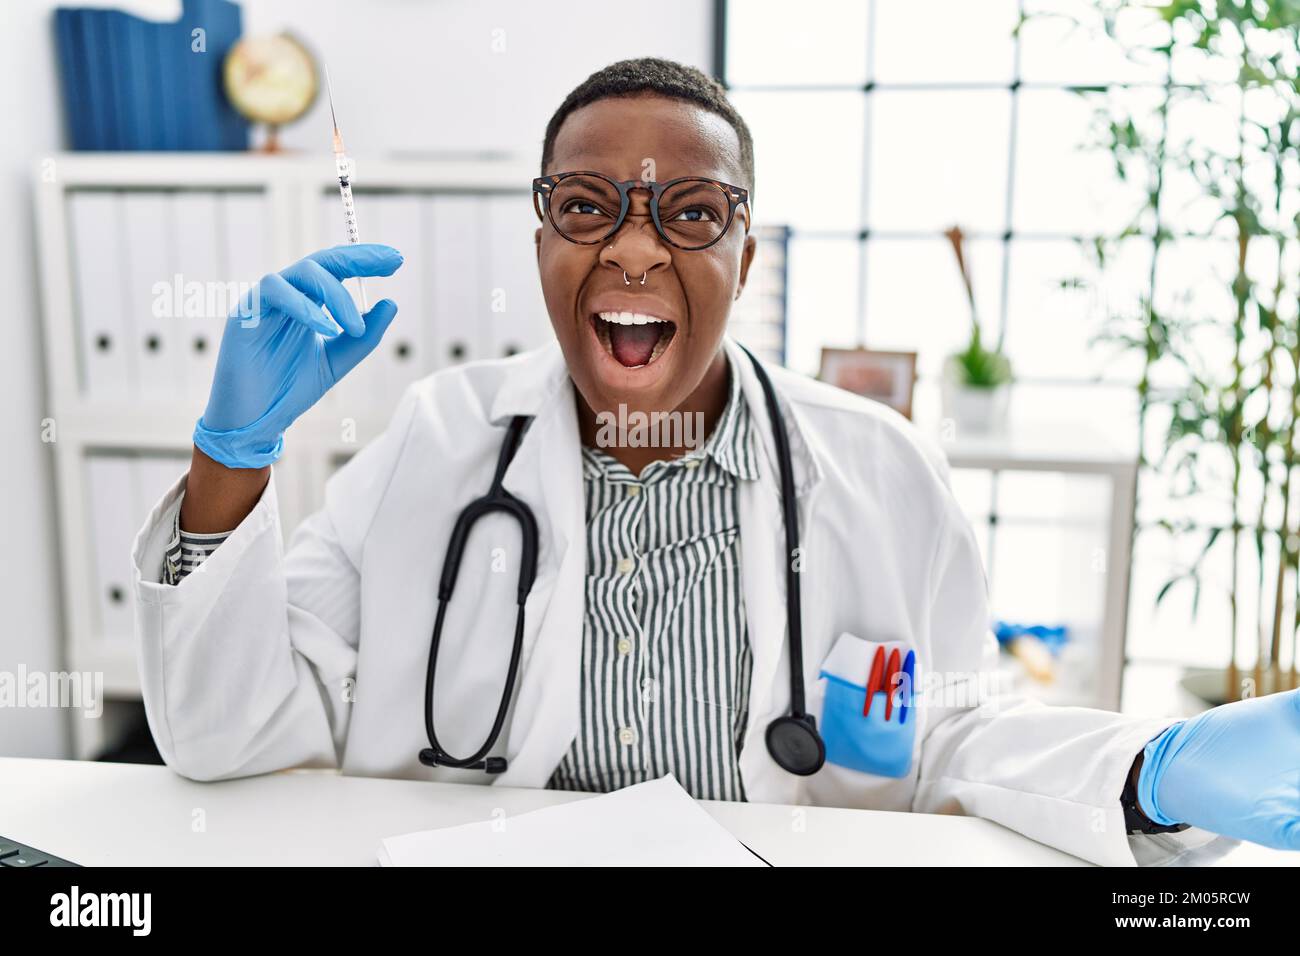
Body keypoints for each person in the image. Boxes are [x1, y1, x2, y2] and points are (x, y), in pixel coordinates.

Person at [130, 57, 1299, 866]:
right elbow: (227, 735)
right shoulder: (435, 441)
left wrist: (1154, 770)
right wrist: (230, 457)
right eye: (587, 205)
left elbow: (951, 737)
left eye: (690, 212)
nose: (634, 244)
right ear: (540, 241)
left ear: (746, 246)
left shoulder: (882, 468)